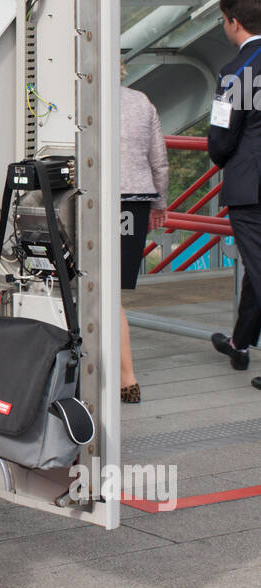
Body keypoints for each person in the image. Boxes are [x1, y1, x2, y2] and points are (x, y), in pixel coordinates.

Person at [207, 0, 261, 386]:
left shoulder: (236, 72)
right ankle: (240, 343)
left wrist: (226, 160)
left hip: (252, 186)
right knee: (255, 270)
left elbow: (221, 139)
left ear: (234, 22)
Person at [120, 70, 169, 402]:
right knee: (114, 291)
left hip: (89, 199)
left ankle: (122, 375)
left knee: (86, 284)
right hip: (134, 203)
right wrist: (159, 203)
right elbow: (160, 162)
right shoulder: (141, 101)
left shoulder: (77, 100)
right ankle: (128, 376)